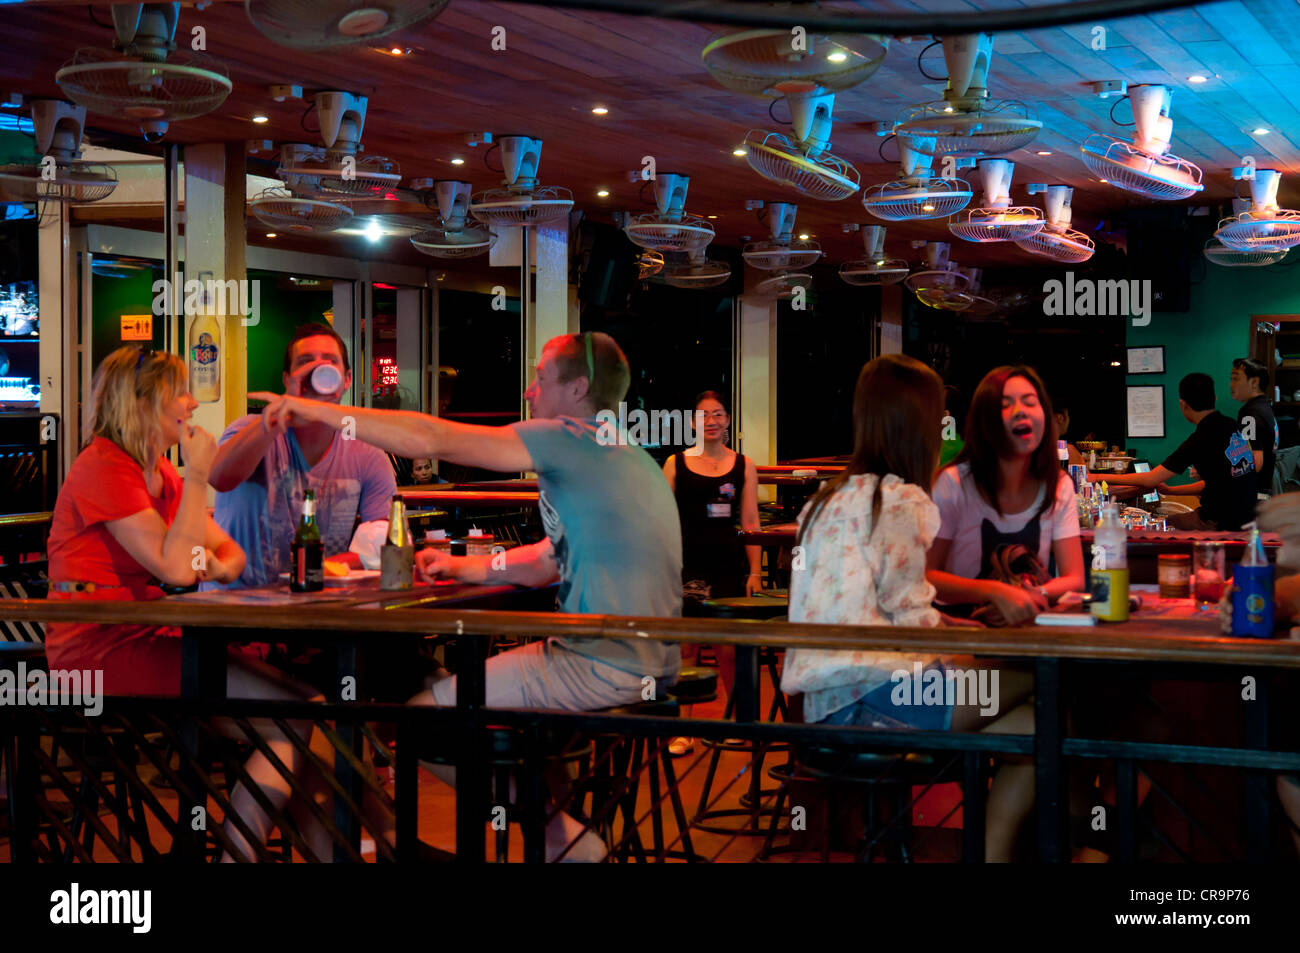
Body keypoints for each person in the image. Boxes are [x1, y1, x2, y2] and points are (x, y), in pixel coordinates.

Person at [251, 330, 682, 861]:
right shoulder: (628, 454)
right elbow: (548, 559)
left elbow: (433, 438)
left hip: (599, 661)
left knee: (419, 722)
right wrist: (461, 566)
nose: (529, 391)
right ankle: (553, 834)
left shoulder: (567, 436)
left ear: (578, 389)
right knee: (456, 694)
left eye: (540, 378)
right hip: (653, 661)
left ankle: (555, 839)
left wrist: (309, 409)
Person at [44, 345, 341, 862]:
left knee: (308, 710)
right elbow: (180, 569)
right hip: (95, 651)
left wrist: (185, 554)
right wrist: (198, 483)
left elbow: (229, 557)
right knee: (296, 717)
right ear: (142, 402)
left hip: (150, 636)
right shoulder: (105, 467)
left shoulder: (159, 470)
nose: (192, 403)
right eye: (179, 392)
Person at [779, 354, 1035, 862]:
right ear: (921, 428)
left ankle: (990, 854)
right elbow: (916, 625)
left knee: (1035, 725)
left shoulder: (826, 500)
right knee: (1041, 679)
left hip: (817, 709)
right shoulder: (898, 502)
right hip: (881, 702)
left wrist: (956, 623)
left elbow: (886, 606)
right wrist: (983, 631)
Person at [205, 323, 396, 588]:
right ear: (287, 379)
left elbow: (386, 542)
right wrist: (279, 414)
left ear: (347, 379)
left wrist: (321, 566)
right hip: (235, 610)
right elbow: (218, 477)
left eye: (329, 362)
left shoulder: (368, 453)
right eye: (305, 363)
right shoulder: (251, 429)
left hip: (313, 607)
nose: (317, 370)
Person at [927, 365, 1086, 626]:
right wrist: (996, 592)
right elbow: (926, 576)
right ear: (984, 419)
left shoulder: (1059, 485)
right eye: (1005, 404)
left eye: (1029, 402)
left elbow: (1075, 578)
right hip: (960, 633)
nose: (1020, 410)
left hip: (1028, 628)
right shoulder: (954, 483)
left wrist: (1031, 596)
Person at [661, 390, 761, 756]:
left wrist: (755, 572)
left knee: (728, 649)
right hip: (685, 563)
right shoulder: (675, 463)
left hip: (728, 563)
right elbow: (661, 517)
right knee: (686, 646)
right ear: (692, 422)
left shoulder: (744, 465)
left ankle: (738, 723)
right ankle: (682, 730)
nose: (712, 421)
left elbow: (750, 521)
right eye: (704, 415)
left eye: (718, 414)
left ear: (728, 421)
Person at [1092, 372, 1257, 531]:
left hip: (1220, 522)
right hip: (1247, 518)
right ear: (1214, 398)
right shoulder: (1233, 426)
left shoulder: (1201, 438)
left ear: (1183, 404)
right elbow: (1219, 482)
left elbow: (1151, 479)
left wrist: (1097, 477)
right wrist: (1171, 491)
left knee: (1161, 526)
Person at [1230, 357, 1277, 500]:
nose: (1231, 384)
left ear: (1254, 382)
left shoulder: (1250, 414)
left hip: (1253, 497)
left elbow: (1253, 463)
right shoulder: (1265, 407)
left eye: (1236, 379)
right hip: (1264, 493)